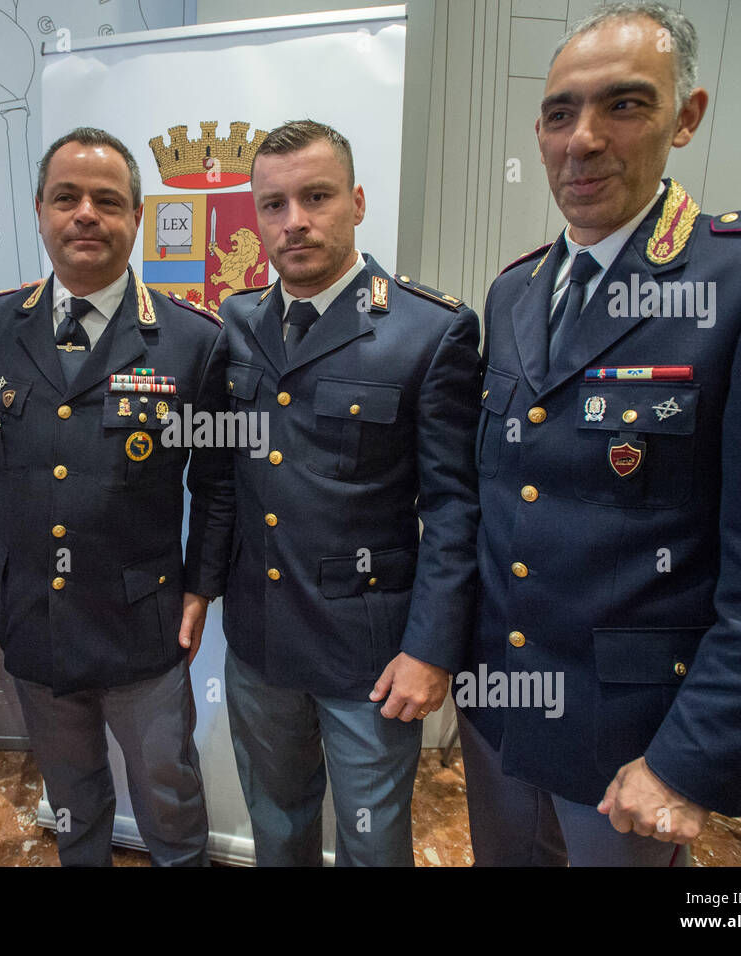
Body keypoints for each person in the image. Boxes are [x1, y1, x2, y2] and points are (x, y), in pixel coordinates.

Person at [458, 1, 741, 865]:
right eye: (560, 114)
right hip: (499, 713)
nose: (583, 139)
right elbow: (506, 505)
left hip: (635, 741)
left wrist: (689, 762)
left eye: (625, 105)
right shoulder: (515, 290)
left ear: (686, 117)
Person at [0, 127, 233, 867]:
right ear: (40, 211)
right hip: (33, 614)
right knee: (72, 800)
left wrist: (202, 587)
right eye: (66, 198)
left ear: (137, 217)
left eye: (107, 201)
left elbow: (216, 483)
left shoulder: (192, 340)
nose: (86, 214)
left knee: (168, 797)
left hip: (141, 622)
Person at [216, 120, 481, 866]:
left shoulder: (429, 331)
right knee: (277, 827)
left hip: (370, 652)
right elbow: (225, 478)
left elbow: (455, 509)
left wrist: (430, 649)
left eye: (317, 197)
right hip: (260, 640)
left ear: (357, 202)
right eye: (274, 204)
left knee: (373, 842)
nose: (294, 221)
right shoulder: (236, 321)